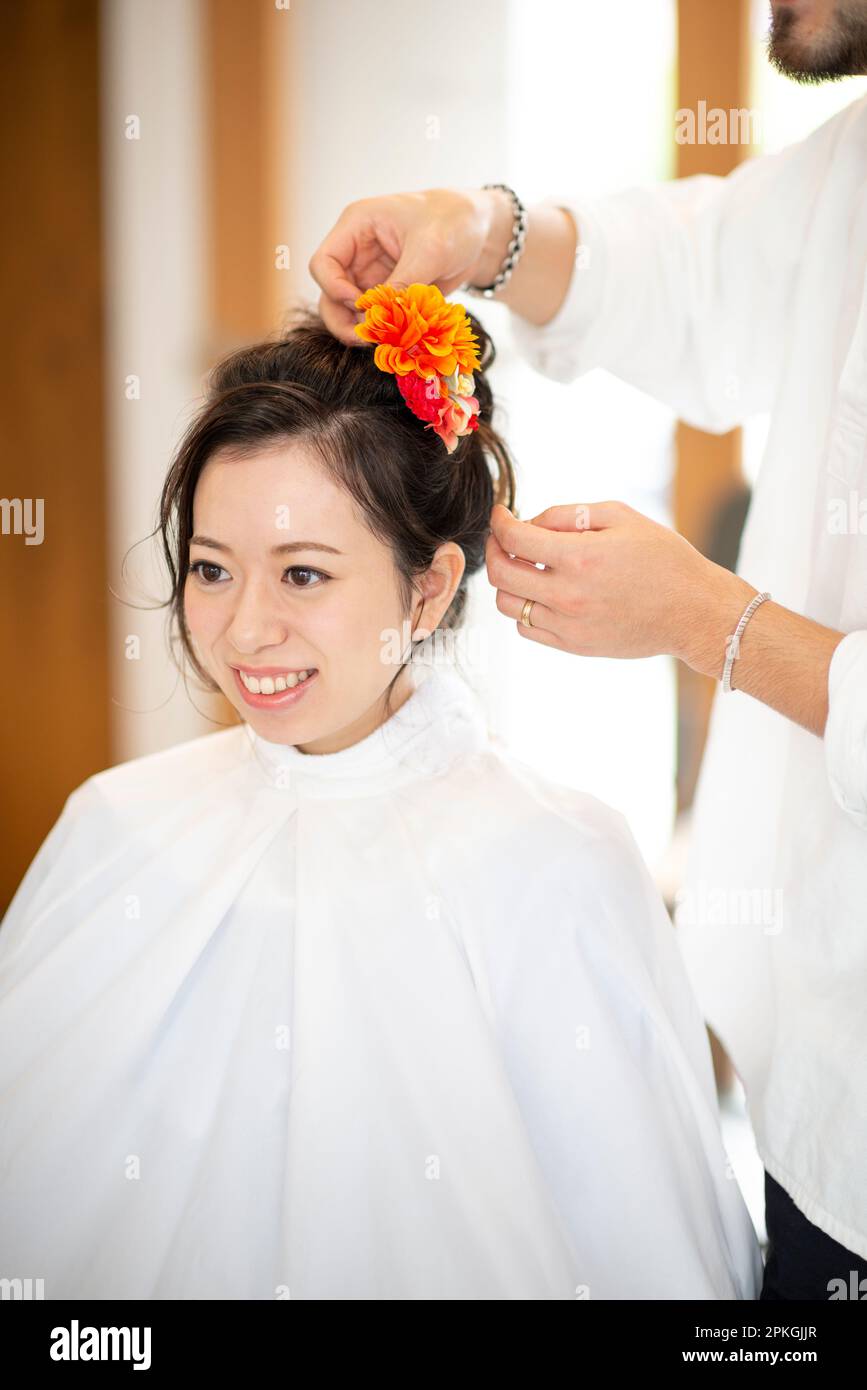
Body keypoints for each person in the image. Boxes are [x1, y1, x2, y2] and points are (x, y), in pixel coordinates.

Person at [0, 295, 761, 1300]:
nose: (244, 630)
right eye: (212, 569)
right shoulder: (115, 826)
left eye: (304, 574)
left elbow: (647, 1253)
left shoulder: (556, 857)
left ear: (430, 588)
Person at [308, 0, 867, 1301]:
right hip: (821, 1111)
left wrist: (702, 620)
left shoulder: (554, 872)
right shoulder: (844, 167)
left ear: (433, 573)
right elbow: (692, 273)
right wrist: (472, 228)